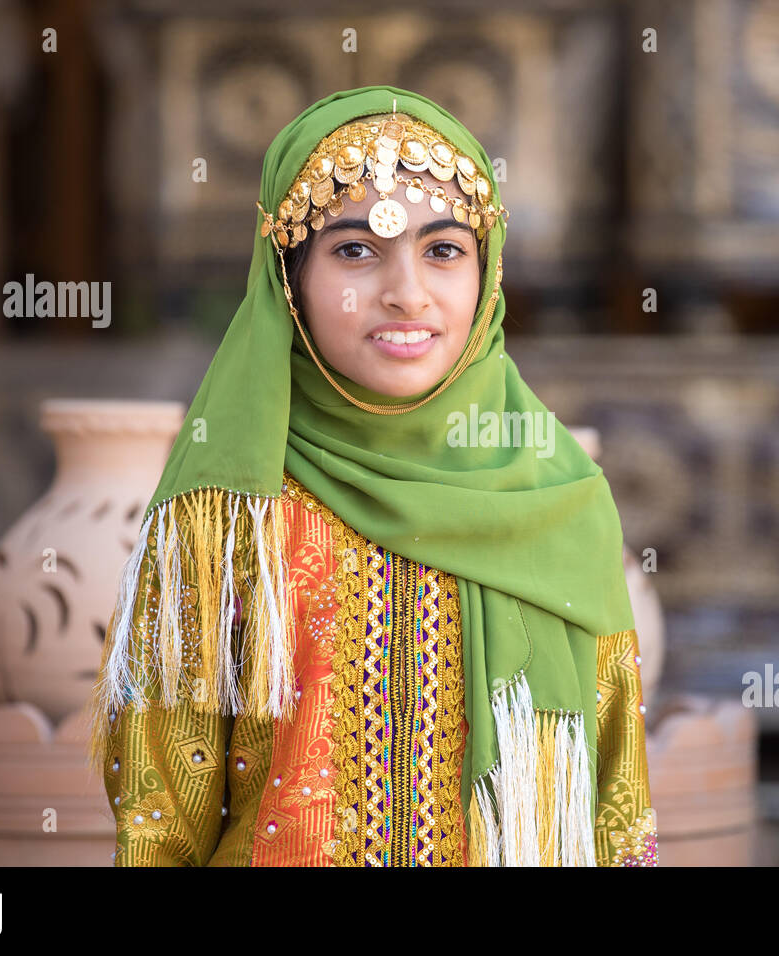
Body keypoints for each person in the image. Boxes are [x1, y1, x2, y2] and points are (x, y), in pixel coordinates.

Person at [88, 84, 656, 867]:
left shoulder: (558, 504)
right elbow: (160, 829)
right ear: (289, 278)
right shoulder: (227, 520)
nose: (406, 293)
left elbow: (618, 820)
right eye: (354, 249)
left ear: (486, 275)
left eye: (444, 250)